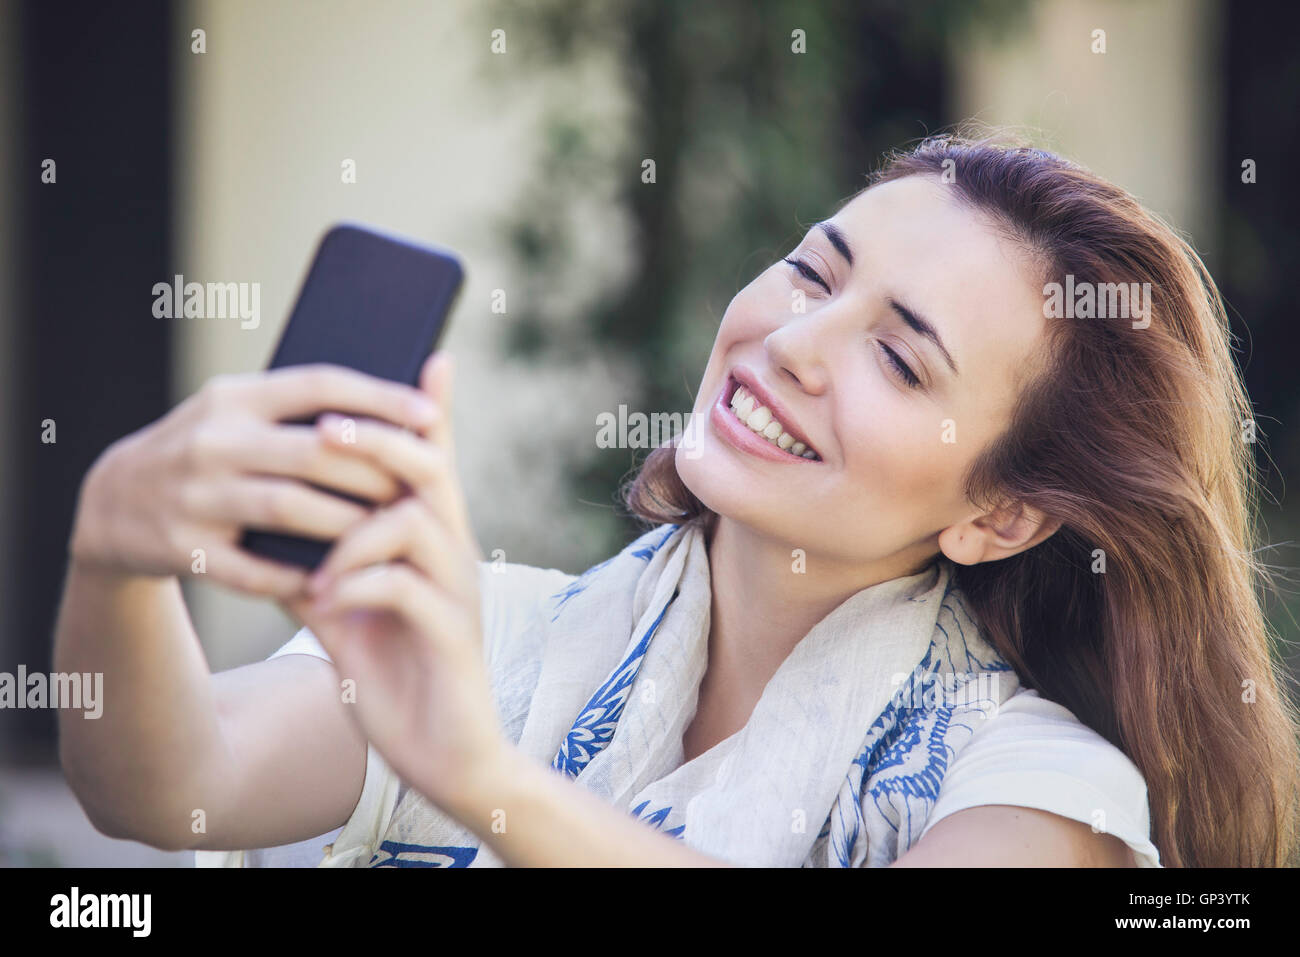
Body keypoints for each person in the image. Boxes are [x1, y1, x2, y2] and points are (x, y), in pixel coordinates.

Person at [55, 133, 1299, 868]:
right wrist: (117, 558)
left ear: (1002, 516)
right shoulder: (496, 639)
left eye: (899, 355)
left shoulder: (1037, 792)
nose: (796, 340)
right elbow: (169, 786)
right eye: (813, 271)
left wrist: (486, 777)